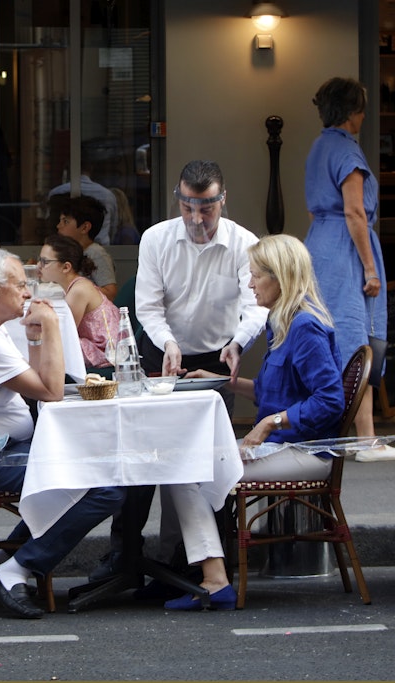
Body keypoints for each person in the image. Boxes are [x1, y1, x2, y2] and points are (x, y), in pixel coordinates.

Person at [89, 160, 268, 584]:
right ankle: (125, 554)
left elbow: (255, 307)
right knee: (140, 454)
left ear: (222, 200)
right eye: (188, 206)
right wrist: (169, 343)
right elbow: (149, 306)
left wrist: (238, 342)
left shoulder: (244, 243)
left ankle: (205, 561)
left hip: (219, 355)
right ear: (178, 199)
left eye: (206, 208)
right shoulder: (157, 238)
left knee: (209, 458)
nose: (196, 218)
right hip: (162, 351)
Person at [0, 249, 124, 618]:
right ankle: (15, 569)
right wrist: (53, 325)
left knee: (92, 465)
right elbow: (51, 391)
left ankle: (5, 556)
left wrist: (33, 337)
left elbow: (36, 382)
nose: (28, 293)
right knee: (108, 482)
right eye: (20, 285)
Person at [160, 235, 345, 611]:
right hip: (286, 446)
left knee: (182, 468)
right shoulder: (285, 322)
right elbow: (272, 392)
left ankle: (214, 580)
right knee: (180, 465)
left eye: (257, 275)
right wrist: (219, 381)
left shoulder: (304, 326)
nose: (250, 284)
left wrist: (269, 424)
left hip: (305, 451)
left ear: (280, 277)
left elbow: (330, 401)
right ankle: (196, 569)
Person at [304, 77, 388, 454]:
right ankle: (365, 437)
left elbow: (313, 208)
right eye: (362, 109)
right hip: (345, 249)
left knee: (325, 336)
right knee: (355, 337)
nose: (364, 116)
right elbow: (355, 212)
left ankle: (333, 430)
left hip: (318, 244)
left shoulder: (318, 147)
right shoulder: (347, 151)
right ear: (353, 112)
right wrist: (370, 268)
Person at [38, 235, 120, 370]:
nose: (38, 266)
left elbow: (63, 332)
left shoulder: (79, 290)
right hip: (101, 347)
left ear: (66, 267)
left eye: (44, 262)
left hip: (104, 352)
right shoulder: (76, 286)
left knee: (47, 345)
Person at [53, 195, 119, 301]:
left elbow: (110, 293)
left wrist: (79, 289)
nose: (58, 226)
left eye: (65, 221)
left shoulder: (96, 253)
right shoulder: (72, 253)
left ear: (84, 227)